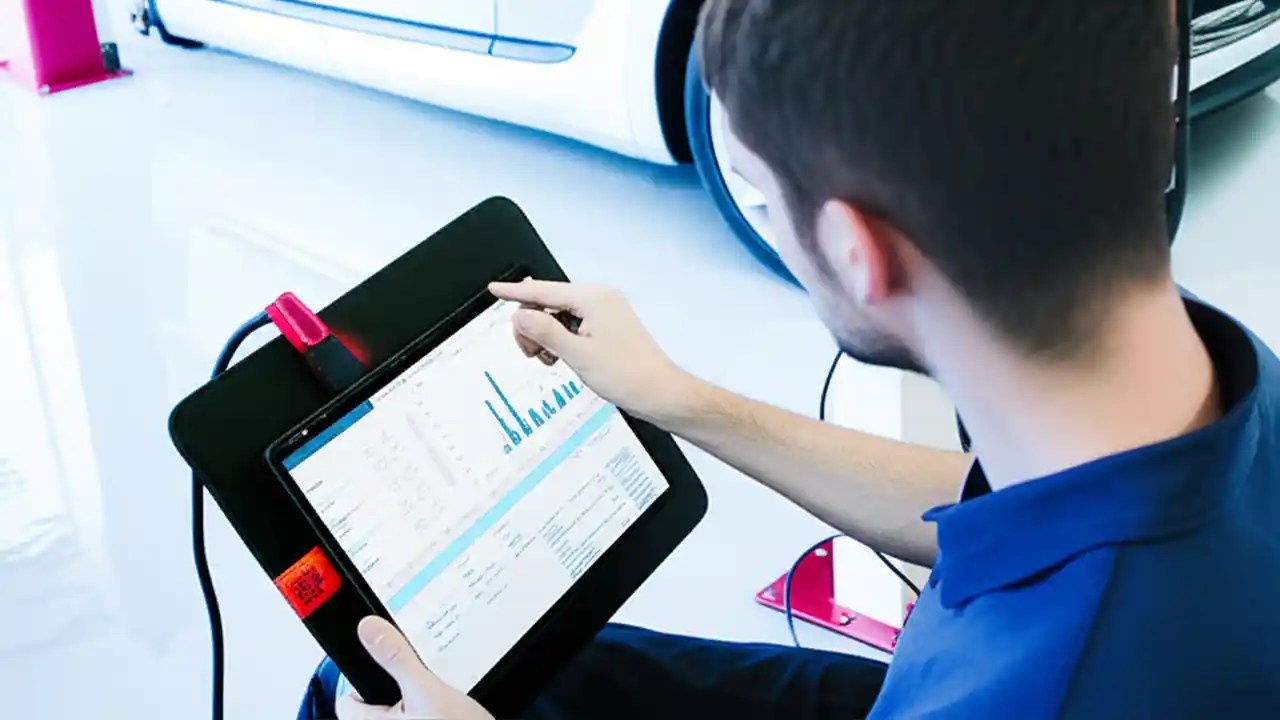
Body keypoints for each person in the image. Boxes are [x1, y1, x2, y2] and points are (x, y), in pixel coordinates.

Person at [330, 1, 1280, 718]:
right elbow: (1001, 514)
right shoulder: (1213, 377)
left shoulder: (1048, 687)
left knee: (367, 685)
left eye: (759, 192)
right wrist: (679, 398)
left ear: (861, 252)